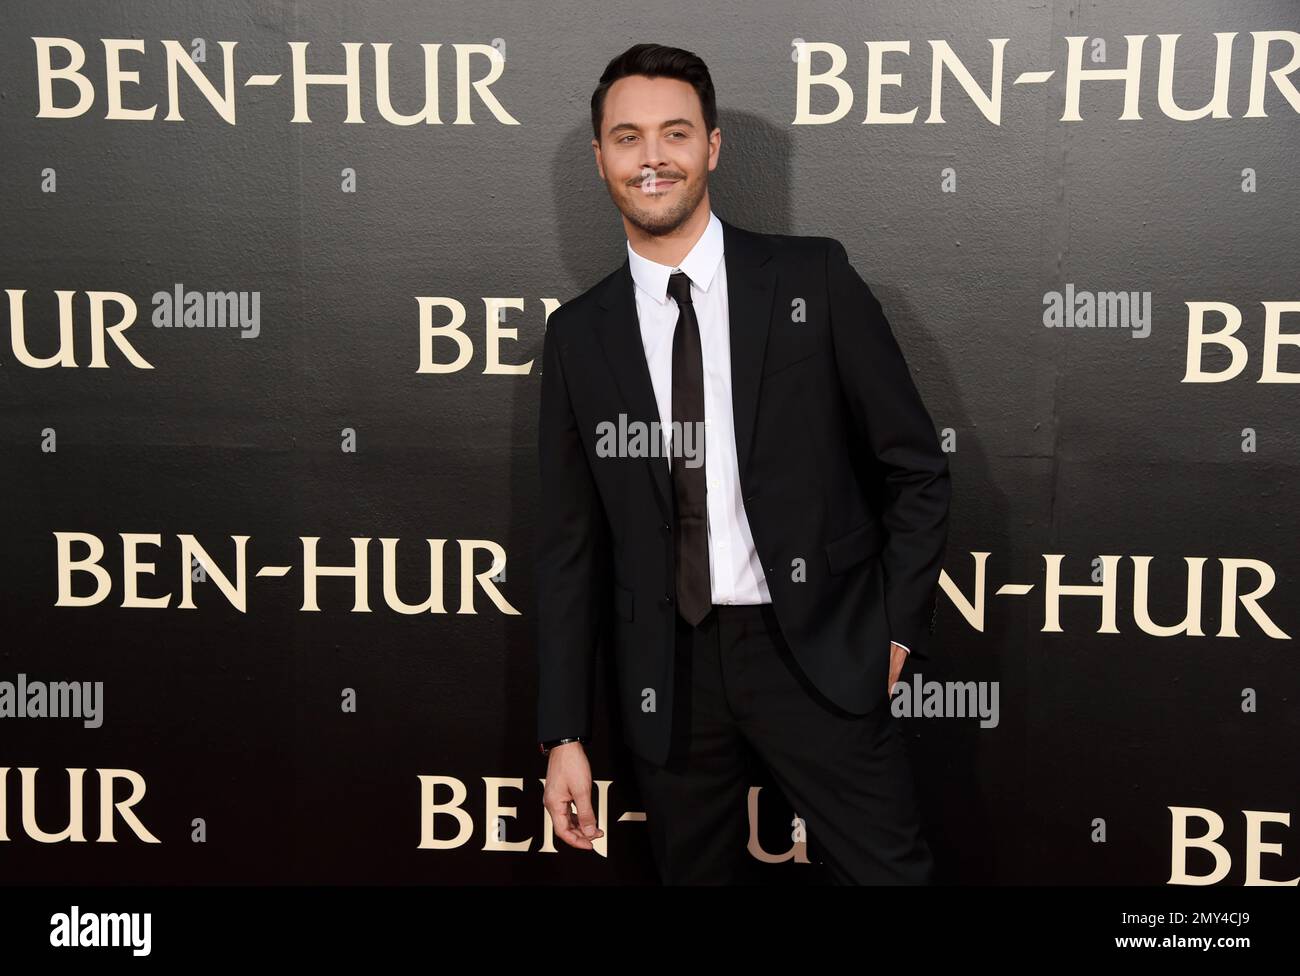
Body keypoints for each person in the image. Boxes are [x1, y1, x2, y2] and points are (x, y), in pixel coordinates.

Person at [536, 42, 950, 884]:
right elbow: (568, 548)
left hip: (817, 650)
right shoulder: (579, 335)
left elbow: (917, 468)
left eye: (675, 133)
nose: (652, 158)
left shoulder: (813, 279)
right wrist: (564, 734)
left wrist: (896, 632)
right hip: (668, 669)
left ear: (712, 147)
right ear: (600, 158)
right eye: (627, 138)